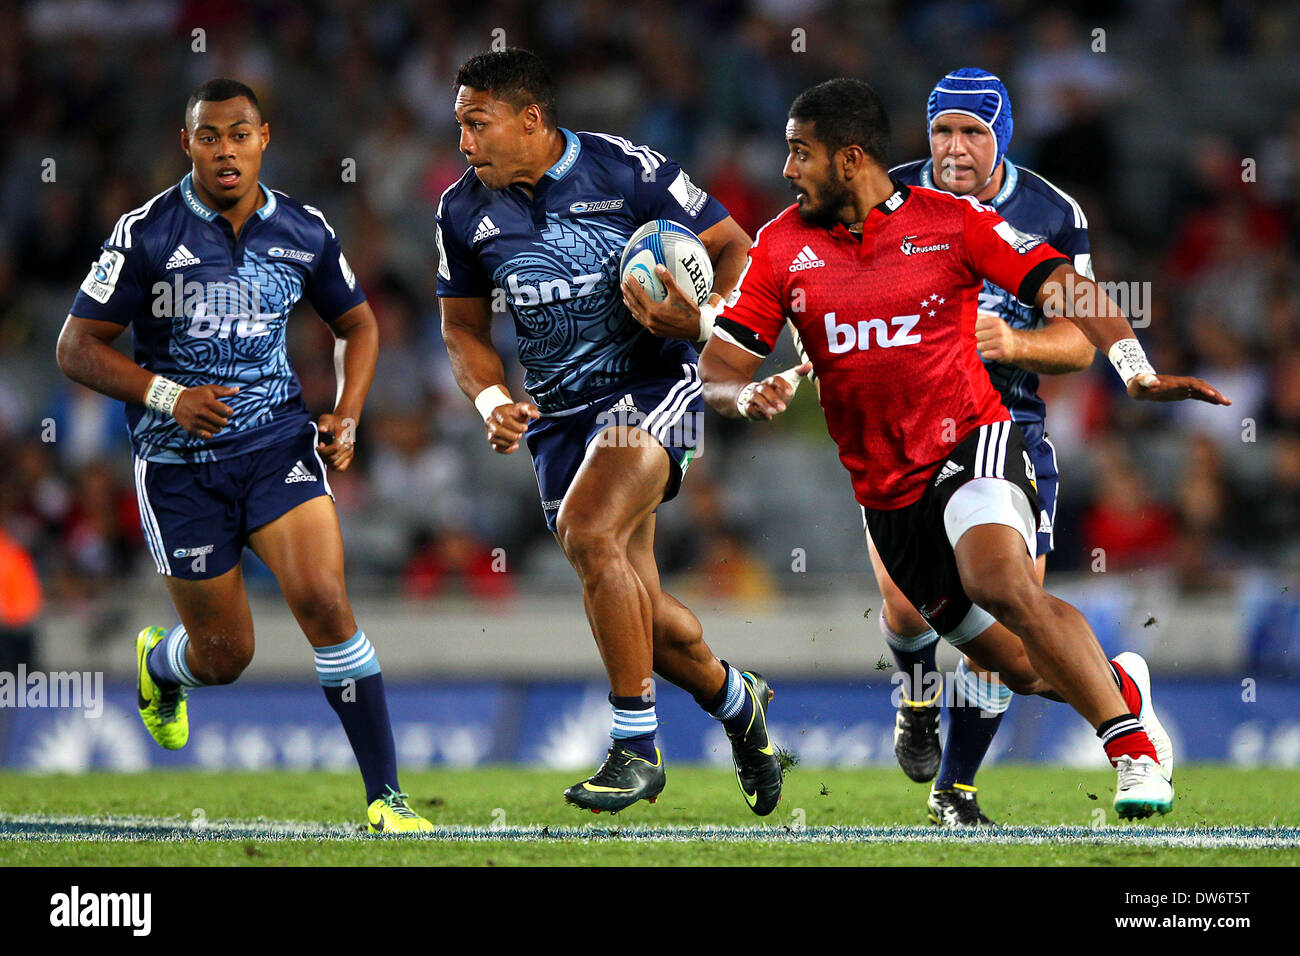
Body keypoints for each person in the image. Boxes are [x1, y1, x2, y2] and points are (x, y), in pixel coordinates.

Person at [678, 77, 1231, 821]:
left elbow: (1068, 289)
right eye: (943, 132)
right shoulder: (783, 244)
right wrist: (741, 394)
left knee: (1003, 581)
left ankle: (1123, 753)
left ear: (846, 160)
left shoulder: (956, 221)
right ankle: (1116, 684)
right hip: (886, 481)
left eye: (797, 153)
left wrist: (1133, 368)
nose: (785, 170)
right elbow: (721, 369)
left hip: (983, 430)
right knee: (1014, 663)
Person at [55, 78, 433, 834]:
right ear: (186, 145)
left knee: (326, 602)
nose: (224, 149)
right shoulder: (146, 233)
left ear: (265, 138)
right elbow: (76, 348)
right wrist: (167, 396)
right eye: (208, 136)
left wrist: (349, 414)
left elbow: (357, 325)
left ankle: (386, 801)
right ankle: (163, 666)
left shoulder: (303, 229)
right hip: (178, 468)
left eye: (239, 134)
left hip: (275, 445)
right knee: (227, 655)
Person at [438, 48, 782, 815]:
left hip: (652, 391)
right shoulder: (462, 211)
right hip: (557, 420)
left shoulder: (628, 171)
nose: (462, 142)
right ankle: (737, 701)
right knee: (642, 616)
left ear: (531, 120)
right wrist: (491, 397)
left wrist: (704, 319)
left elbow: (734, 248)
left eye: (475, 123)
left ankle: (636, 747)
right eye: (459, 125)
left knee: (591, 534)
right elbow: (461, 329)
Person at [877, 68, 1098, 826]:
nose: (955, 147)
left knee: (1002, 626)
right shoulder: (886, 198)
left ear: (1002, 137)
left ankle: (957, 791)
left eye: (974, 132)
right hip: (907, 434)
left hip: (1010, 433)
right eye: (943, 131)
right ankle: (914, 700)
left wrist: (1016, 340)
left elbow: (1082, 342)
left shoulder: (1053, 214)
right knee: (907, 611)